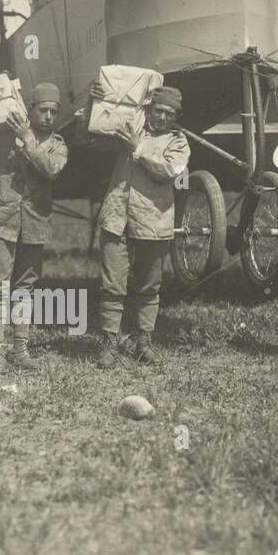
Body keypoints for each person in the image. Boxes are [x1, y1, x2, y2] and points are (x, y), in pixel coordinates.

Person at [0, 82, 68, 376]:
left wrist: (27, 139)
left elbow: (51, 169)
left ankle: (20, 349)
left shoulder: (57, 144)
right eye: (42, 110)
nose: (48, 116)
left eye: (53, 112)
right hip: (2, 217)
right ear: (30, 110)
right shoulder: (5, 136)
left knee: (25, 286)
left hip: (35, 221)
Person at [93, 85, 191, 368]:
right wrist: (97, 101)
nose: (162, 117)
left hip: (153, 220)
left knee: (149, 286)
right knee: (112, 285)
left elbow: (169, 171)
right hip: (116, 217)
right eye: (158, 111)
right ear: (149, 110)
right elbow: (93, 134)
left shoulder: (178, 142)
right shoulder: (129, 130)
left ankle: (144, 342)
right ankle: (110, 343)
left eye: (168, 113)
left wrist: (139, 148)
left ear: (176, 116)